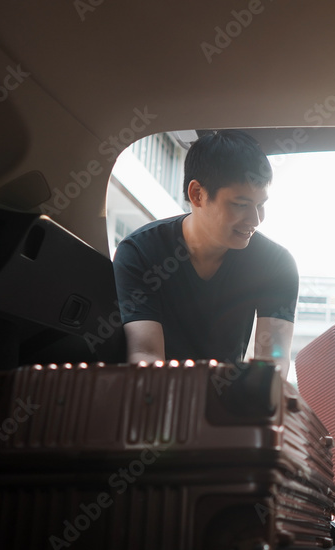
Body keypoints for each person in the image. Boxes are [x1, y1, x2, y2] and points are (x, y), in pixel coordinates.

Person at [112, 130, 298, 377]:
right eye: (240, 205)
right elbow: (146, 357)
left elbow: (272, 361)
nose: (255, 219)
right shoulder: (140, 253)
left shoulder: (276, 265)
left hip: (229, 403)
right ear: (197, 194)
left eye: (261, 204)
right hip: (158, 396)